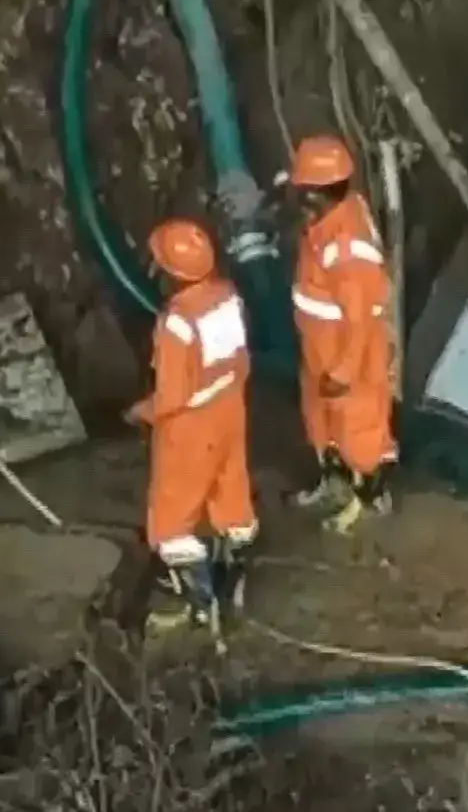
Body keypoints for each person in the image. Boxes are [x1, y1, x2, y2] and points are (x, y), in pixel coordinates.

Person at [126, 218, 257, 639]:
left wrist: (141, 412)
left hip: (191, 429)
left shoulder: (177, 324)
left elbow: (172, 396)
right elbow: (240, 361)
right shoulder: (227, 297)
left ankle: (202, 607)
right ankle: (234, 589)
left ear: (170, 273)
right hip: (229, 412)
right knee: (231, 499)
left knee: (171, 524)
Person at [286, 134, 396, 533]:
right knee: (323, 422)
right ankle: (334, 484)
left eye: (302, 189)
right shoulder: (327, 223)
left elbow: (361, 317)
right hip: (321, 351)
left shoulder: (347, 246)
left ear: (316, 193)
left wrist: (345, 372)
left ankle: (369, 500)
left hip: (349, 358)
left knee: (359, 430)